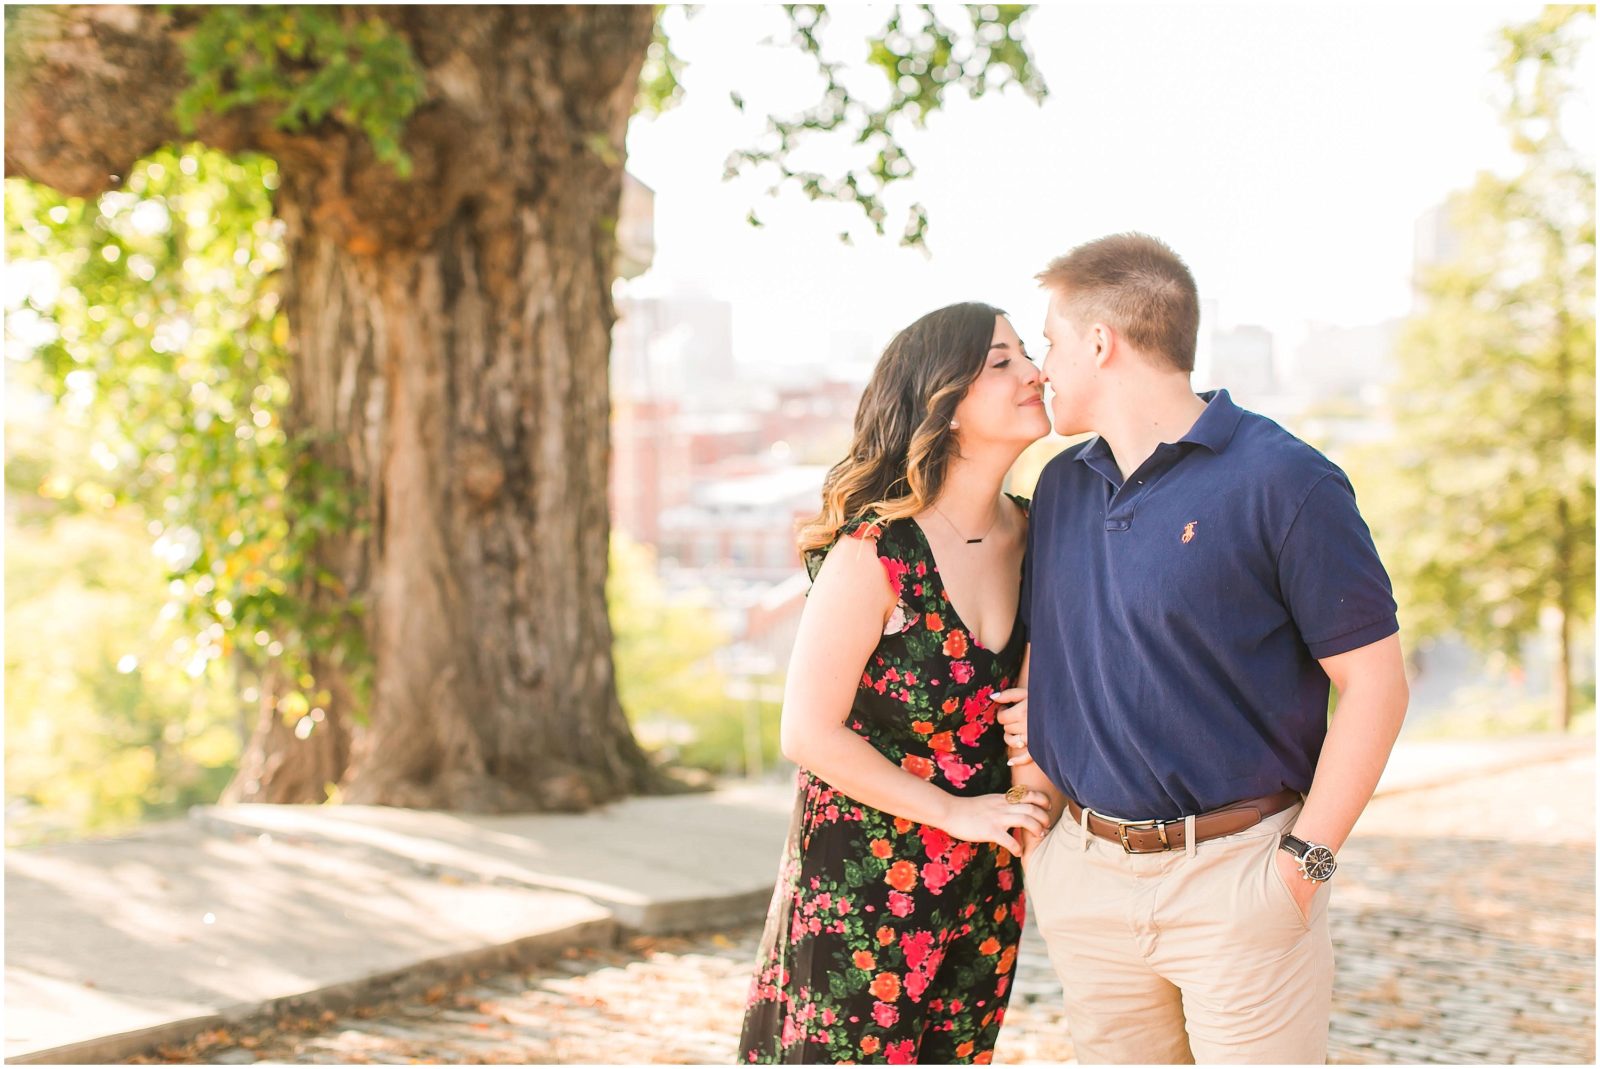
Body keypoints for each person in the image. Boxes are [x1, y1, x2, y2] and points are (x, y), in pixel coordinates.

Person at [998, 234, 1410, 1064]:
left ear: (1101, 342)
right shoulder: (1061, 485)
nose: (1042, 368)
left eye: (1050, 340)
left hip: (1240, 880)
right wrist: (1045, 837)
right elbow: (1052, 644)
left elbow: (1375, 686)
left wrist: (1304, 867)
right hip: (1087, 881)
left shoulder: (1287, 481)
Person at [739, 302, 1055, 1064]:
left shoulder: (1042, 532)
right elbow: (806, 731)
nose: (1035, 372)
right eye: (1002, 361)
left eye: (1028, 355)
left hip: (985, 881)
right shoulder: (876, 550)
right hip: (862, 886)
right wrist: (954, 811)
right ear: (943, 404)